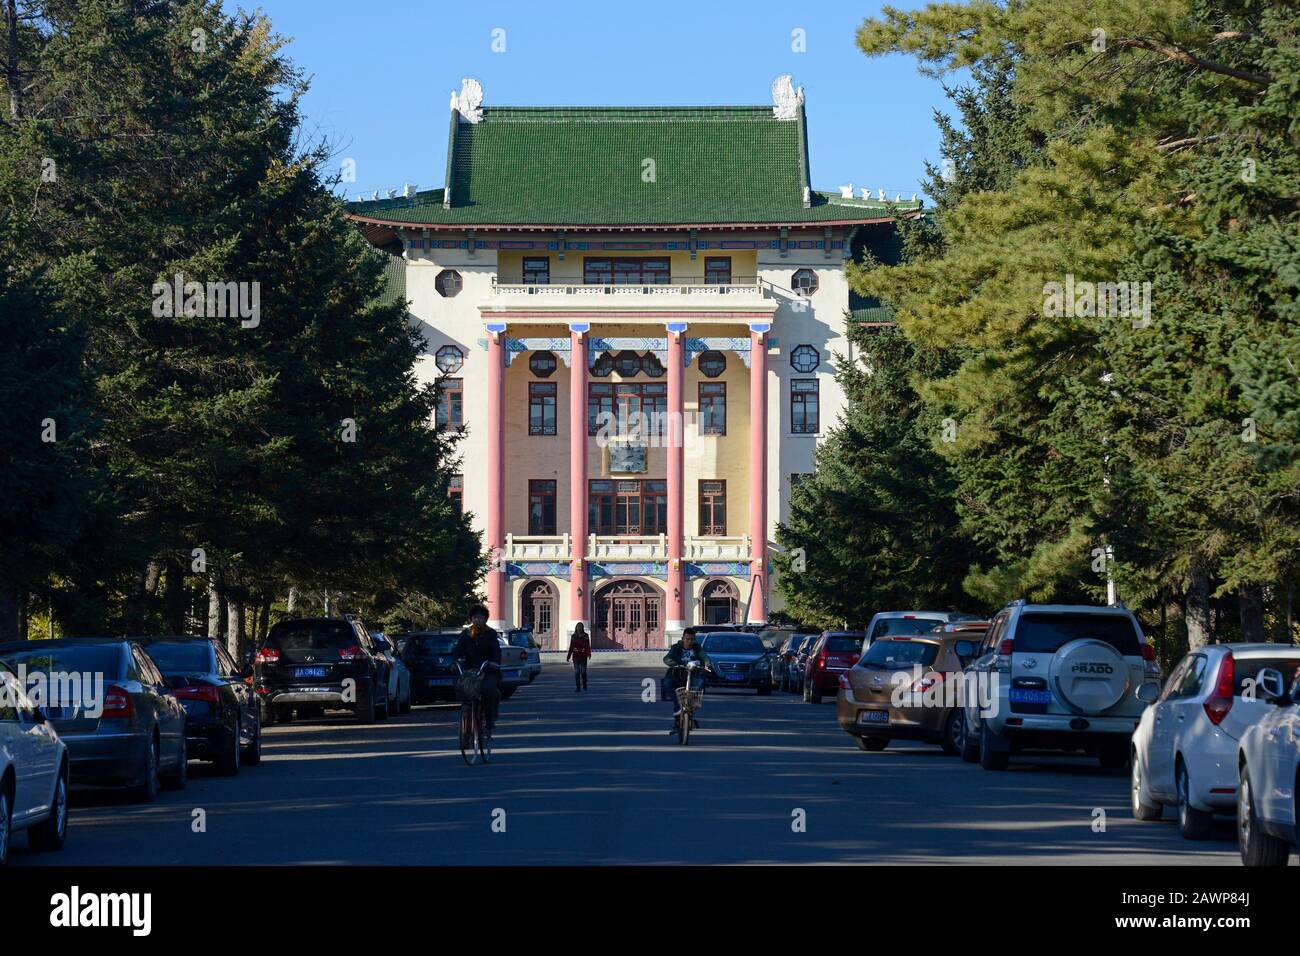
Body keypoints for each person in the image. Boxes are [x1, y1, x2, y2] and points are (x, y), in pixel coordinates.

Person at [453, 604, 502, 736]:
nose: (477, 620)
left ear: (485, 619)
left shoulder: (490, 633)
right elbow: (458, 650)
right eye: (475, 617)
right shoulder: (466, 634)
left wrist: (494, 663)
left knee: (488, 689)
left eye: (480, 617)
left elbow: (496, 651)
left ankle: (489, 720)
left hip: (488, 670)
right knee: (463, 687)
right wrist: (455, 661)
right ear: (471, 619)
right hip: (471, 670)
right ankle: (467, 718)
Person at [662, 627, 712, 733]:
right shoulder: (676, 647)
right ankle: (677, 716)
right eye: (687, 639)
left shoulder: (697, 648)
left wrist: (707, 664)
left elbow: (705, 657)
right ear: (683, 638)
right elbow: (667, 658)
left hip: (693, 676)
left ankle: (690, 708)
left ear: (694, 640)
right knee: (667, 684)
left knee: (701, 682)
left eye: (692, 639)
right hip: (677, 674)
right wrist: (673, 664)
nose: (689, 642)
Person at [566, 622, 591, 692]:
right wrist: (568, 656)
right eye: (578, 627)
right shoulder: (573, 636)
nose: (579, 628)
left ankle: (584, 683)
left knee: (583, 672)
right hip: (576, 657)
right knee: (577, 672)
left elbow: (588, 646)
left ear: (582, 628)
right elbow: (571, 646)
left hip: (583, 656)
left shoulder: (586, 636)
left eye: (581, 627)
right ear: (576, 628)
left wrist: (589, 653)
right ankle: (578, 687)